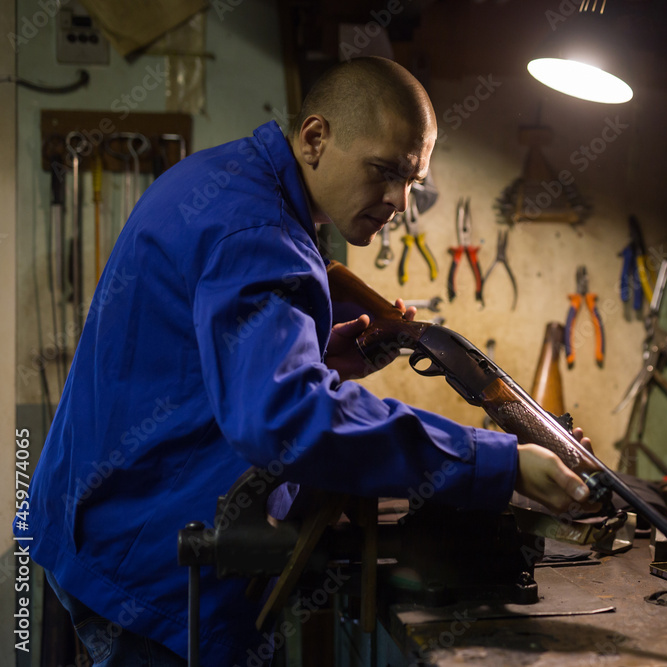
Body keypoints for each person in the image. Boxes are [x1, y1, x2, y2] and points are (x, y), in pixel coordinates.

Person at [16, 56, 594, 665]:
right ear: (316, 138)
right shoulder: (259, 232)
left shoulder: (237, 181)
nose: (398, 199)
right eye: (383, 171)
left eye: (412, 180)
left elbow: (208, 368)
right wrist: (499, 463)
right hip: (147, 561)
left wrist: (317, 360)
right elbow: (283, 419)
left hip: (109, 520)